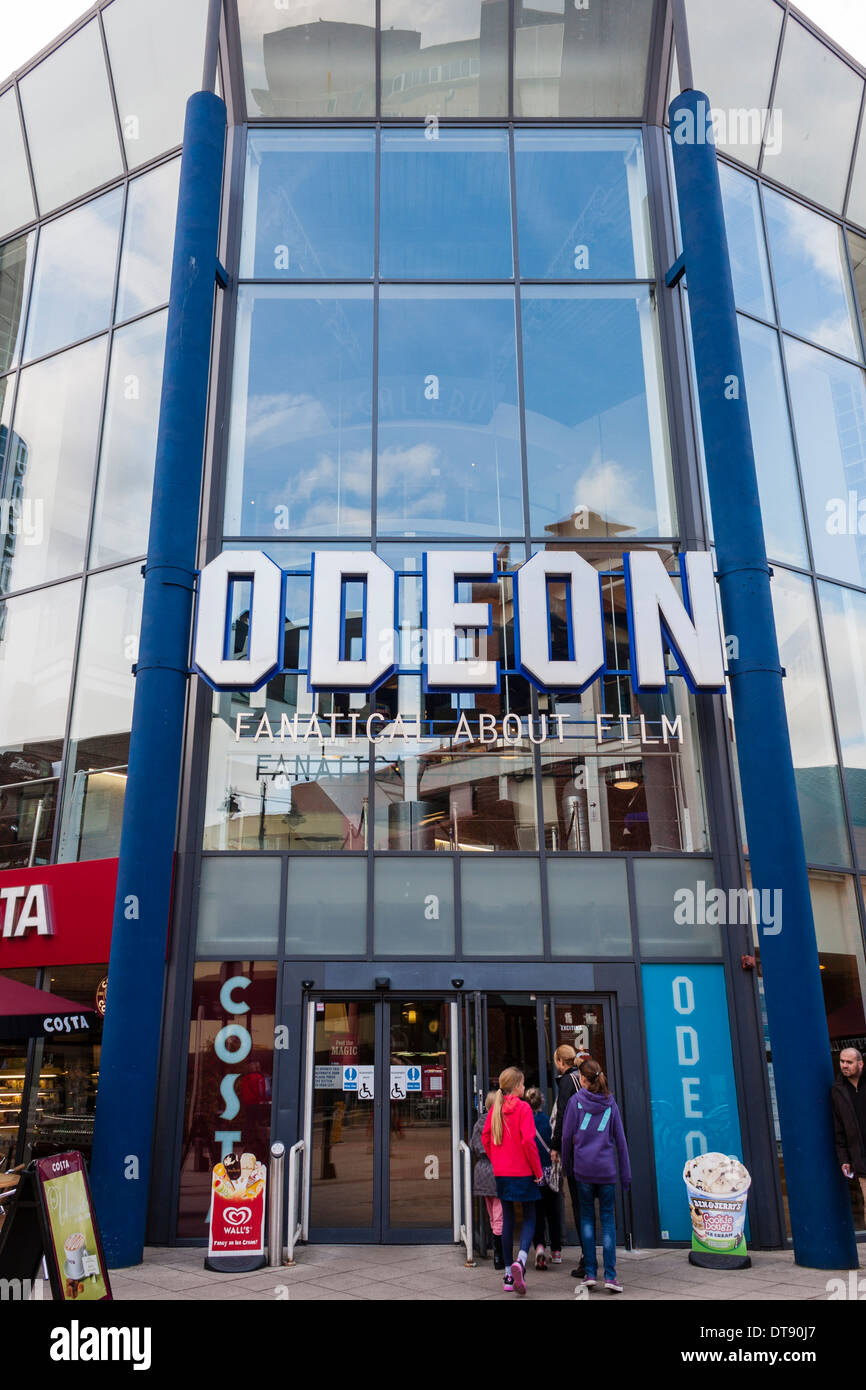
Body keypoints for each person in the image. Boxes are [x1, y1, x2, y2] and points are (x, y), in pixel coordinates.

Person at [561, 1057, 631, 1294]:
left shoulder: (575, 1102)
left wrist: (567, 1166)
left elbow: (566, 1138)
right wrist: (626, 1174)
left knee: (587, 1219)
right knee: (608, 1222)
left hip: (583, 1171)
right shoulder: (611, 1104)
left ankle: (590, 1273)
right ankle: (610, 1276)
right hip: (606, 1171)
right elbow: (620, 1142)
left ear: (582, 1079)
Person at [482, 1067, 543, 1294]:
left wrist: (496, 1160)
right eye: (523, 1083)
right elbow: (528, 1142)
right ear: (517, 1086)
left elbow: (485, 1137)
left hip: (502, 1173)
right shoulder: (524, 1108)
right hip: (523, 1172)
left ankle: (508, 1274)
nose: (524, 1087)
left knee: (507, 1220)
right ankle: (521, 1259)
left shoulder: (495, 1109)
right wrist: (538, 1172)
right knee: (529, 1217)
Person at [549, 1043, 585, 1276]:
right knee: (590, 1206)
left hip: (575, 1150)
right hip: (594, 1148)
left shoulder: (566, 1082)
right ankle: (590, 1254)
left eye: (556, 1062)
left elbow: (562, 1114)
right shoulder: (584, 1078)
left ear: (562, 1063)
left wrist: (555, 1145)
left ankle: (586, 1256)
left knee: (580, 1205)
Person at [525, 1086, 562, 1269]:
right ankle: (556, 1251)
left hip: (534, 1175)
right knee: (553, 1212)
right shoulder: (549, 1122)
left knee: (536, 1213)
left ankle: (539, 1246)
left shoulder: (525, 1123)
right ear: (543, 1102)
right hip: (551, 1174)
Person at [470, 1091, 504, 1268]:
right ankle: (499, 1254)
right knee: (500, 1213)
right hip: (498, 1169)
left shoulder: (480, 1122)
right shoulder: (502, 1120)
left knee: (492, 1212)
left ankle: (495, 1245)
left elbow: (474, 1145)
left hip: (482, 1171)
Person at [831, 1047, 866, 1214]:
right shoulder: (838, 1091)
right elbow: (839, 1130)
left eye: (849, 1062)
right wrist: (844, 1158)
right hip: (862, 1161)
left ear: (860, 1064)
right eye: (842, 1061)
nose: (844, 1065)